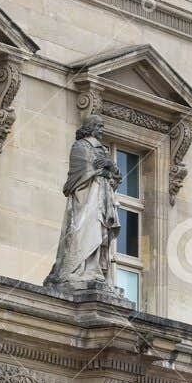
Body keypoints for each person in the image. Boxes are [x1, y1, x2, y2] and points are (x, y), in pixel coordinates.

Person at [45, 116, 122, 288]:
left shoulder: (103, 150)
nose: (102, 130)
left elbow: (116, 177)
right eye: (99, 126)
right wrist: (101, 169)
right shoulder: (80, 146)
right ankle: (78, 269)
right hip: (86, 197)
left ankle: (93, 269)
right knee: (84, 230)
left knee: (99, 231)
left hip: (101, 196)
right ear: (91, 127)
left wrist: (110, 166)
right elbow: (80, 171)